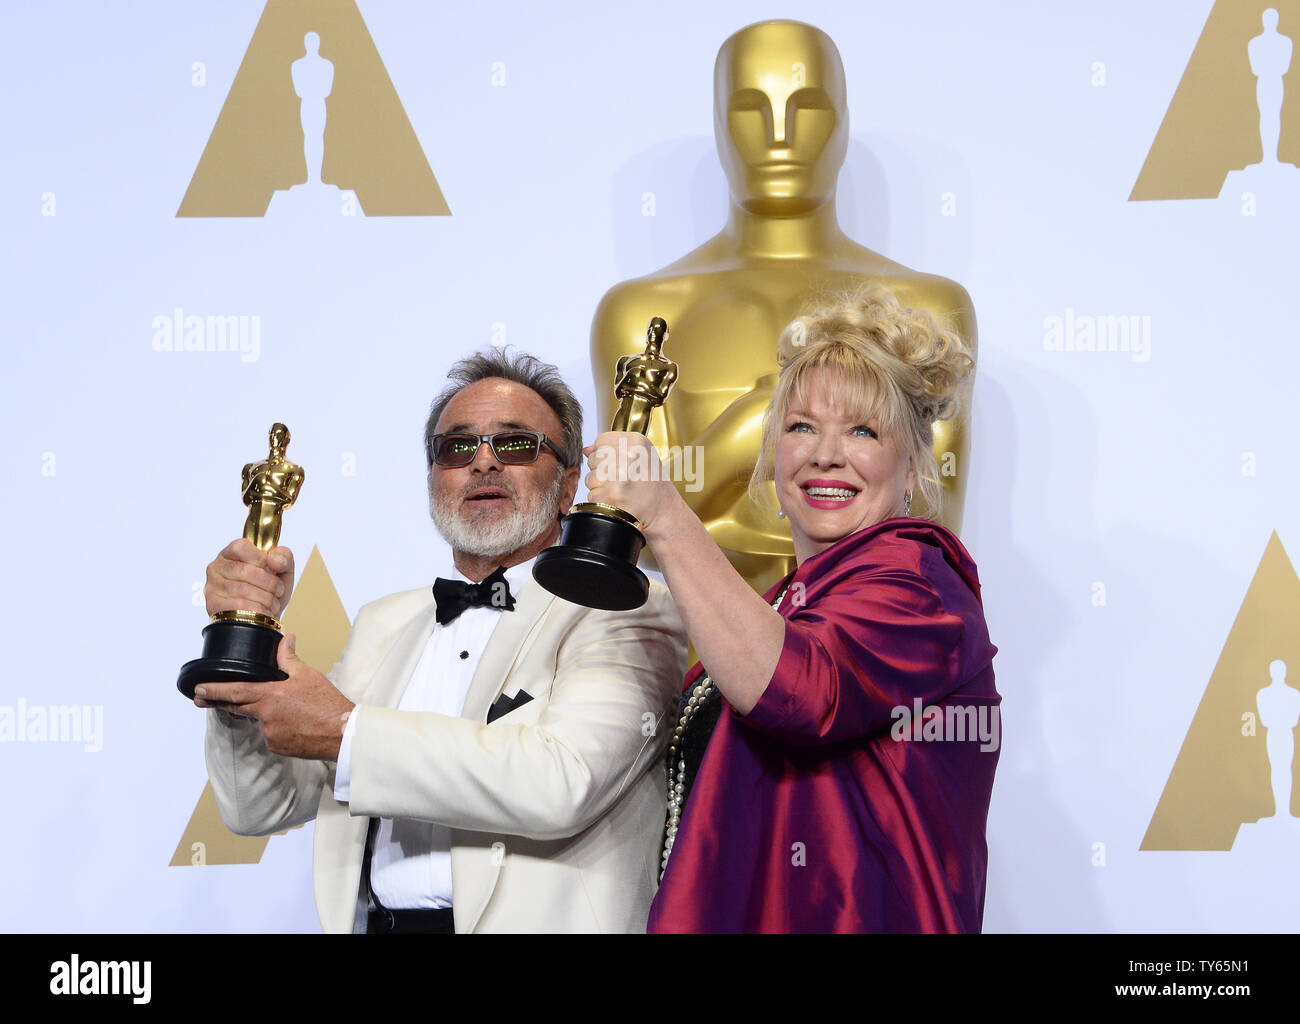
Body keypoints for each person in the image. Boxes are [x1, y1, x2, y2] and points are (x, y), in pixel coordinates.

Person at [192, 349, 687, 933]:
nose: (483, 463)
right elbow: (260, 808)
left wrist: (345, 731)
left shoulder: (628, 606)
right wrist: (240, 670)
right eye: (457, 447)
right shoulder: (384, 622)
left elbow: (562, 781)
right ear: (432, 479)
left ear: (568, 485)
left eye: (516, 444)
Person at [585, 284, 1000, 932]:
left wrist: (664, 515)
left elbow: (802, 692)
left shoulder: (918, 583)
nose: (825, 453)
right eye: (801, 426)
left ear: (913, 467)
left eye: (863, 430)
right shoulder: (785, 602)